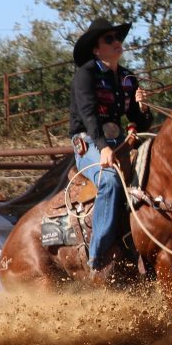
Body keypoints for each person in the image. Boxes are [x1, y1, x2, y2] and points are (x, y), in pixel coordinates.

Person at [68, 18, 152, 280]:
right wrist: (103, 148)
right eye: (109, 39)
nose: (117, 42)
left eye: (118, 38)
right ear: (96, 49)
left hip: (120, 143)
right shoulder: (86, 75)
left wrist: (142, 109)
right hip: (89, 143)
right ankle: (98, 255)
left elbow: (139, 121)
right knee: (111, 182)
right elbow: (89, 116)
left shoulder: (128, 78)